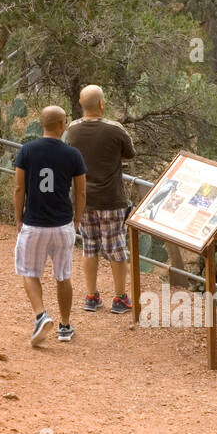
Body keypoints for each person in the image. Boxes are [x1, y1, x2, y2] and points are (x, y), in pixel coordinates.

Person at [13, 106, 86, 346]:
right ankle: (65, 326)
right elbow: (81, 191)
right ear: (62, 124)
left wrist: (18, 218)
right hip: (62, 225)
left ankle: (41, 314)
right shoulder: (73, 154)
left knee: (29, 272)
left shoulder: (27, 150)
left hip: (34, 224)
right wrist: (76, 220)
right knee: (63, 276)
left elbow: (19, 188)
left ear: (42, 124)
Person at [65, 85, 137, 314]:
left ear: (81, 104)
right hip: (111, 199)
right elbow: (130, 153)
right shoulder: (114, 129)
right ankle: (119, 298)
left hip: (84, 199)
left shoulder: (73, 129)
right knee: (116, 247)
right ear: (102, 104)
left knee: (89, 247)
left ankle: (91, 296)